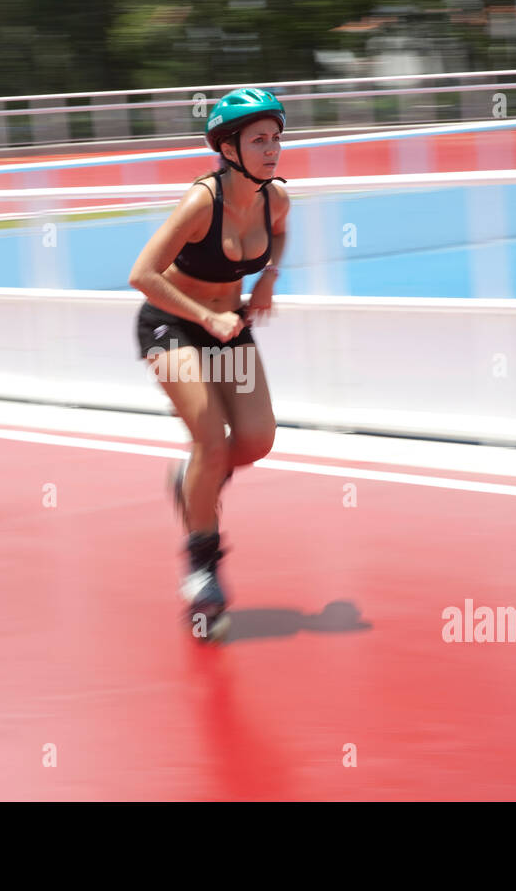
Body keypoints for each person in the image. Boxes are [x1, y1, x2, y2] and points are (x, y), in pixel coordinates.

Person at [128, 87, 290, 640]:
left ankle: (191, 481)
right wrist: (206, 315)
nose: (272, 150)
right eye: (258, 140)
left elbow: (281, 237)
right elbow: (142, 274)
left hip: (228, 327)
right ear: (228, 147)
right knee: (210, 438)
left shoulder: (277, 199)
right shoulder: (202, 201)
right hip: (171, 325)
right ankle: (203, 570)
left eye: (276, 138)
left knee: (257, 438)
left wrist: (267, 280)